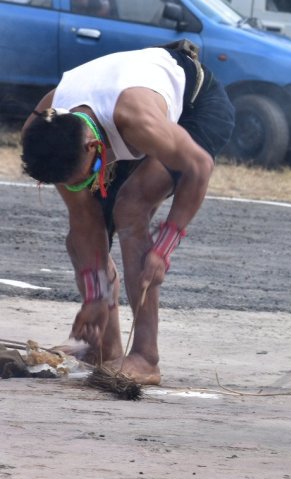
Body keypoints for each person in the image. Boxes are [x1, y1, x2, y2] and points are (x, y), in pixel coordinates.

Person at [20, 41, 235, 385]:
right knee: (80, 242)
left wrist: (165, 246)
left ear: (93, 148)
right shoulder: (46, 129)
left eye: (82, 177)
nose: (80, 188)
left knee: (131, 207)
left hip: (195, 106)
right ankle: (104, 348)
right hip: (115, 121)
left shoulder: (137, 120)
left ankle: (146, 357)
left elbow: (199, 167)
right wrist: (95, 295)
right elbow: (85, 221)